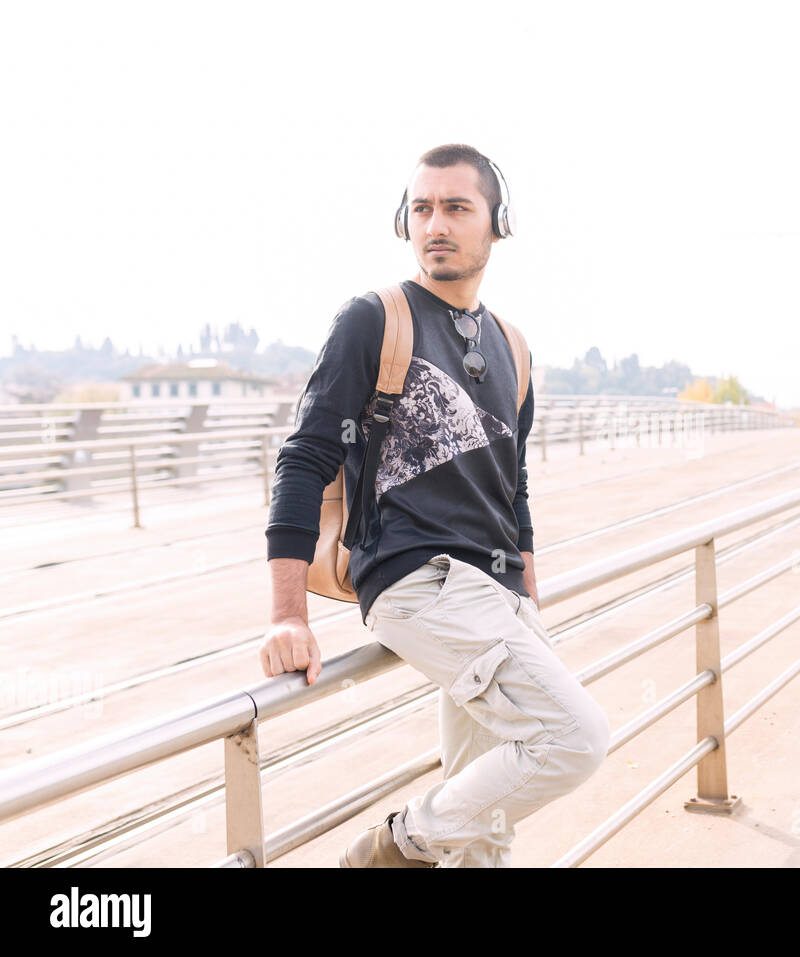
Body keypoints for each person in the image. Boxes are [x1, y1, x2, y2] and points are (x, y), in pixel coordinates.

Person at [258, 144, 610, 867]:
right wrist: (287, 614)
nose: (436, 224)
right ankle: (396, 847)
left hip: (496, 594)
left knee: (482, 827)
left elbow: (512, 489)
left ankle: (433, 843)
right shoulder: (373, 319)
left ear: (496, 224)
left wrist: (528, 601)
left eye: (456, 207)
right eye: (422, 208)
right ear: (404, 221)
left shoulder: (514, 346)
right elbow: (303, 458)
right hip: (418, 580)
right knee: (575, 735)